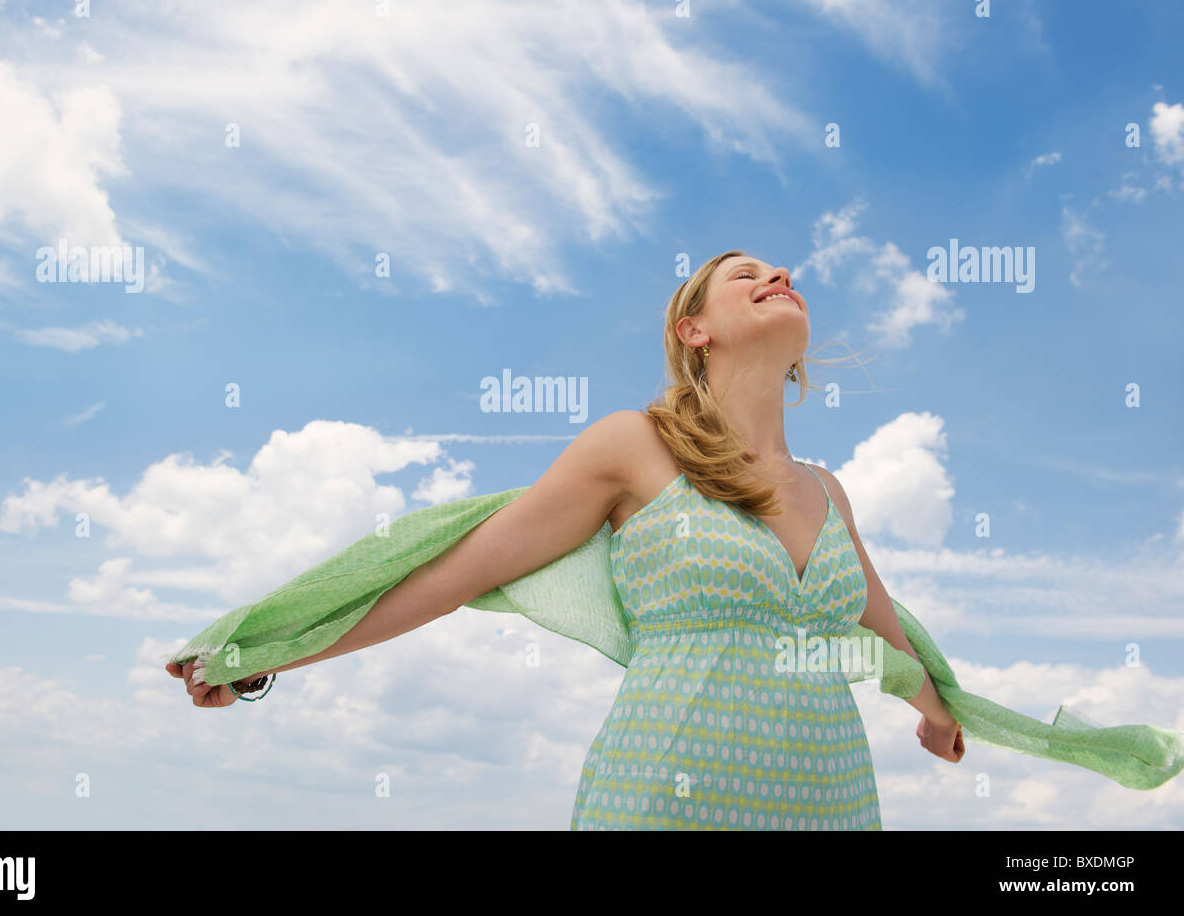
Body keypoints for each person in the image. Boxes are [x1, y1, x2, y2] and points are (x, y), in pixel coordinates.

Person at [165, 249, 964, 829]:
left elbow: (884, 634)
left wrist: (936, 714)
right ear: (695, 330)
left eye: (782, 274)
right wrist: (268, 655)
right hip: (663, 795)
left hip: (831, 802)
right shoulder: (634, 448)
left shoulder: (828, 492)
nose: (777, 277)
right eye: (745, 276)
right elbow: (449, 575)